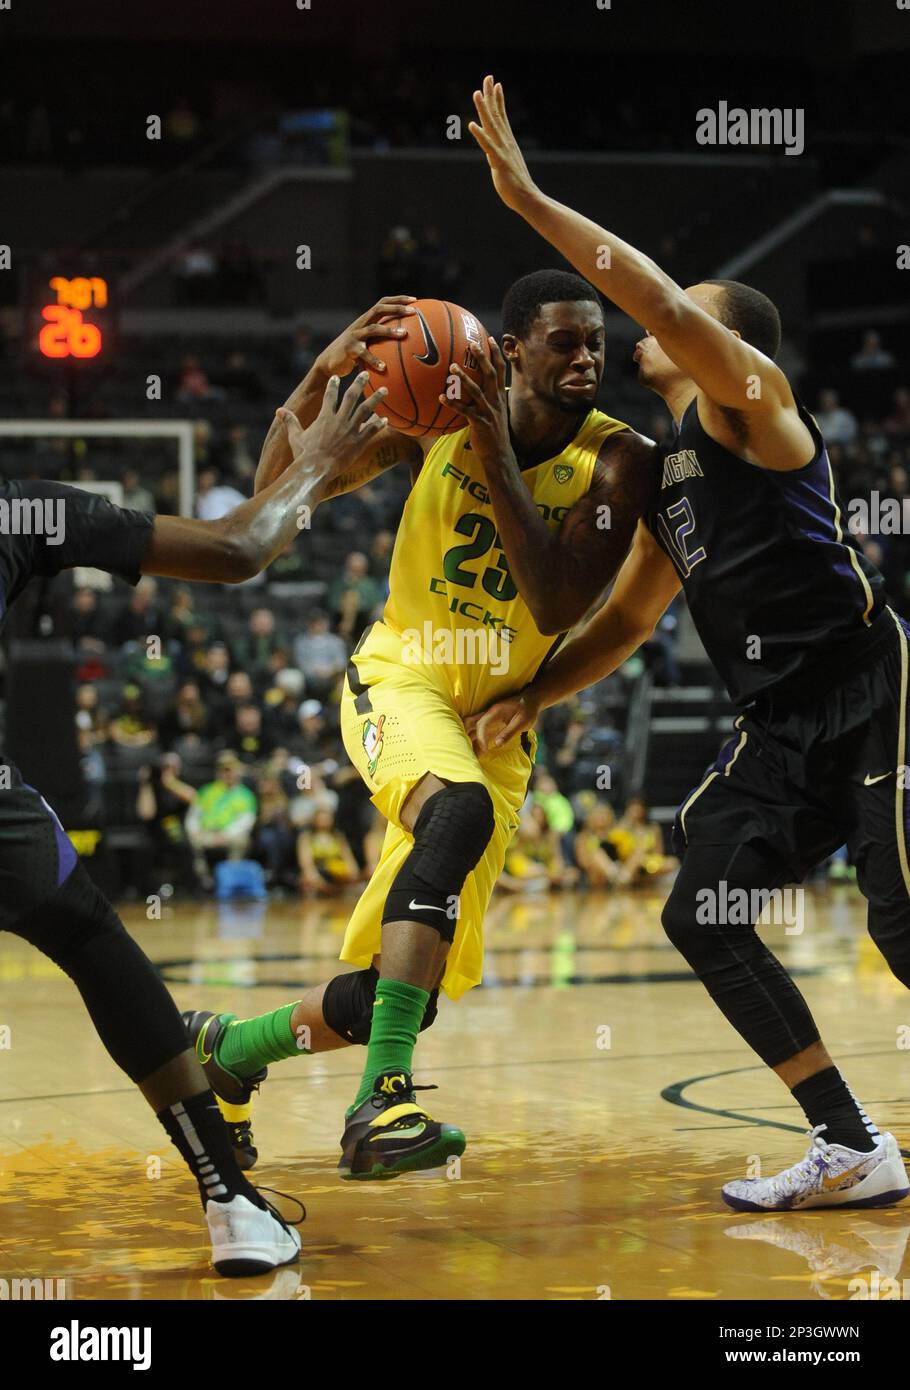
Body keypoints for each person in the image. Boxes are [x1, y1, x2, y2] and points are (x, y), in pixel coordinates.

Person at [465, 75, 910, 1212]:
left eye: (684, 315)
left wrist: (529, 201)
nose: (649, 329)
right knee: (698, 909)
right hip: (777, 726)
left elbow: (657, 303)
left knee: (900, 917)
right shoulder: (666, 478)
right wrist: (538, 694)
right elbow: (625, 618)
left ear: (723, 338)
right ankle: (849, 1142)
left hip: (871, 687)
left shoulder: (754, 406)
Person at [182, 281, 659, 1180]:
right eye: (564, 343)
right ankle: (382, 1102)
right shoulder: (427, 418)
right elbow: (279, 493)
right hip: (401, 674)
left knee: (407, 989)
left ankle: (228, 1051)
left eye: (596, 343)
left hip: (494, 724)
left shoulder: (621, 462)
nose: (587, 360)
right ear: (511, 350)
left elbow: (556, 597)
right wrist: (323, 373)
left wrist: (489, 446)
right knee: (458, 818)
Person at [0, 368, 393, 1274]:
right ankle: (231, 1203)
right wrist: (321, 459)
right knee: (97, 944)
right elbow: (241, 545)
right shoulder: (20, 511)